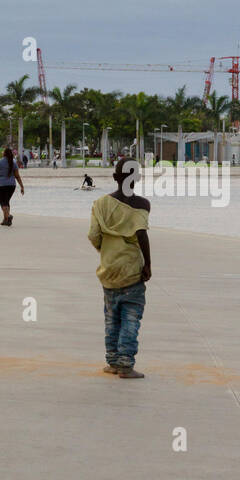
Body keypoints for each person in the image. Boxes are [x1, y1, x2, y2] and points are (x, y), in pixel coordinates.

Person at [88, 157, 151, 380]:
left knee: (111, 318)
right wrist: (148, 265)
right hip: (132, 270)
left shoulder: (100, 204)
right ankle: (126, 364)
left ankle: (113, 362)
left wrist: (106, 252)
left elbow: (94, 236)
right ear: (137, 178)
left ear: (115, 178)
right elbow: (142, 235)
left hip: (109, 270)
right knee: (131, 318)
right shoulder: (143, 204)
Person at [0, 144, 24, 226]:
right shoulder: (14, 162)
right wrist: (22, 186)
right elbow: (17, 176)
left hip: (1, 185)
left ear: (4, 154)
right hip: (12, 185)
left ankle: (8, 216)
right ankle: (5, 220)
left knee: (3, 202)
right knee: (6, 201)